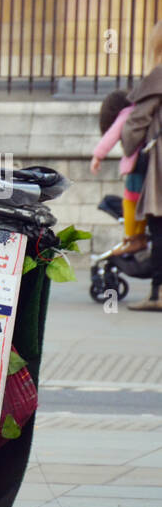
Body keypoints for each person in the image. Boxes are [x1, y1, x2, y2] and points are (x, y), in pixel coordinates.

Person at [120, 20, 162, 310]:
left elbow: (135, 124)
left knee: (158, 228)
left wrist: (128, 146)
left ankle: (158, 293)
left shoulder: (158, 75)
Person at [90, 89, 147, 256]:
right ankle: (141, 235)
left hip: (137, 165)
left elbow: (111, 135)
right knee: (144, 204)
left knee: (129, 201)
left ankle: (131, 238)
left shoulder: (126, 114)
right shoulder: (144, 110)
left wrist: (97, 156)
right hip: (151, 166)